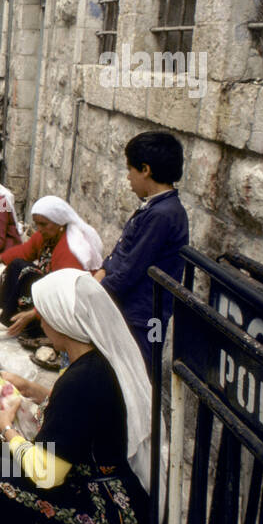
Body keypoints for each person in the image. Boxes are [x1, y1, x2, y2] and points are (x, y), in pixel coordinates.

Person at [0, 269, 156, 524]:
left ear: (61, 320)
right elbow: (80, 418)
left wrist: (7, 426)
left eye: (44, 316)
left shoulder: (83, 379)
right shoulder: (95, 362)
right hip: (119, 500)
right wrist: (32, 390)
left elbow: (47, 474)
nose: (42, 324)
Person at [95, 132, 189, 369]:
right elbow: (122, 251)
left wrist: (94, 295)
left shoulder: (162, 214)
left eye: (130, 170)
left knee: (138, 375)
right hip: (136, 313)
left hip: (144, 318)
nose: (128, 178)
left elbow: (131, 268)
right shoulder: (156, 208)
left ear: (145, 170)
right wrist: (103, 270)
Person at [0, 195, 103, 333]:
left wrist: (35, 314)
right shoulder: (47, 236)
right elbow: (24, 251)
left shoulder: (69, 250)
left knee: (27, 273)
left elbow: (64, 292)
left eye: (43, 224)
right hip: (52, 289)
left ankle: (34, 326)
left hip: (67, 304)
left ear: (59, 223)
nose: (39, 229)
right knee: (16, 265)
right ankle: (11, 315)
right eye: (37, 224)